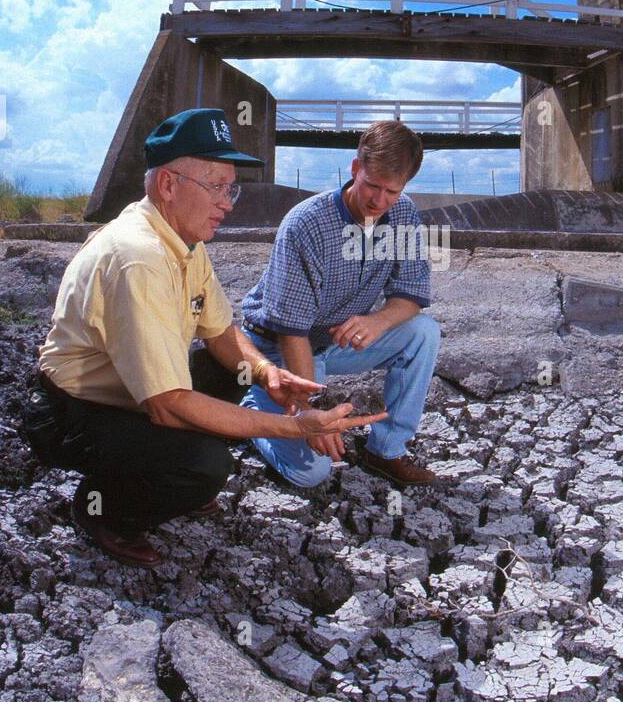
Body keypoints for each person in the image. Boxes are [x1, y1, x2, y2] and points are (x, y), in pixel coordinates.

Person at [26, 107, 386, 568]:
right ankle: (104, 505)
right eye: (216, 187)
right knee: (206, 466)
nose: (228, 202)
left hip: (129, 392)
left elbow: (220, 331)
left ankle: (153, 468)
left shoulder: (183, 240)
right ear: (168, 185)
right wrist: (292, 427)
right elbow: (168, 404)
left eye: (230, 187)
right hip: (72, 412)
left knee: (231, 365)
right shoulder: (139, 258)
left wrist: (266, 372)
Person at [240, 119, 444, 490]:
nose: (378, 201)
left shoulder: (403, 214)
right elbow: (291, 330)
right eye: (372, 185)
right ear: (355, 170)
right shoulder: (305, 224)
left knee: (424, 333)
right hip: (277, 349)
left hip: (331, 343)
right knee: (312, 472)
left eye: (392, 191)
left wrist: (379, 321)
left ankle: (386, 450)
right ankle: (250, 414)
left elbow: (412, 294)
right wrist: (305, 410)